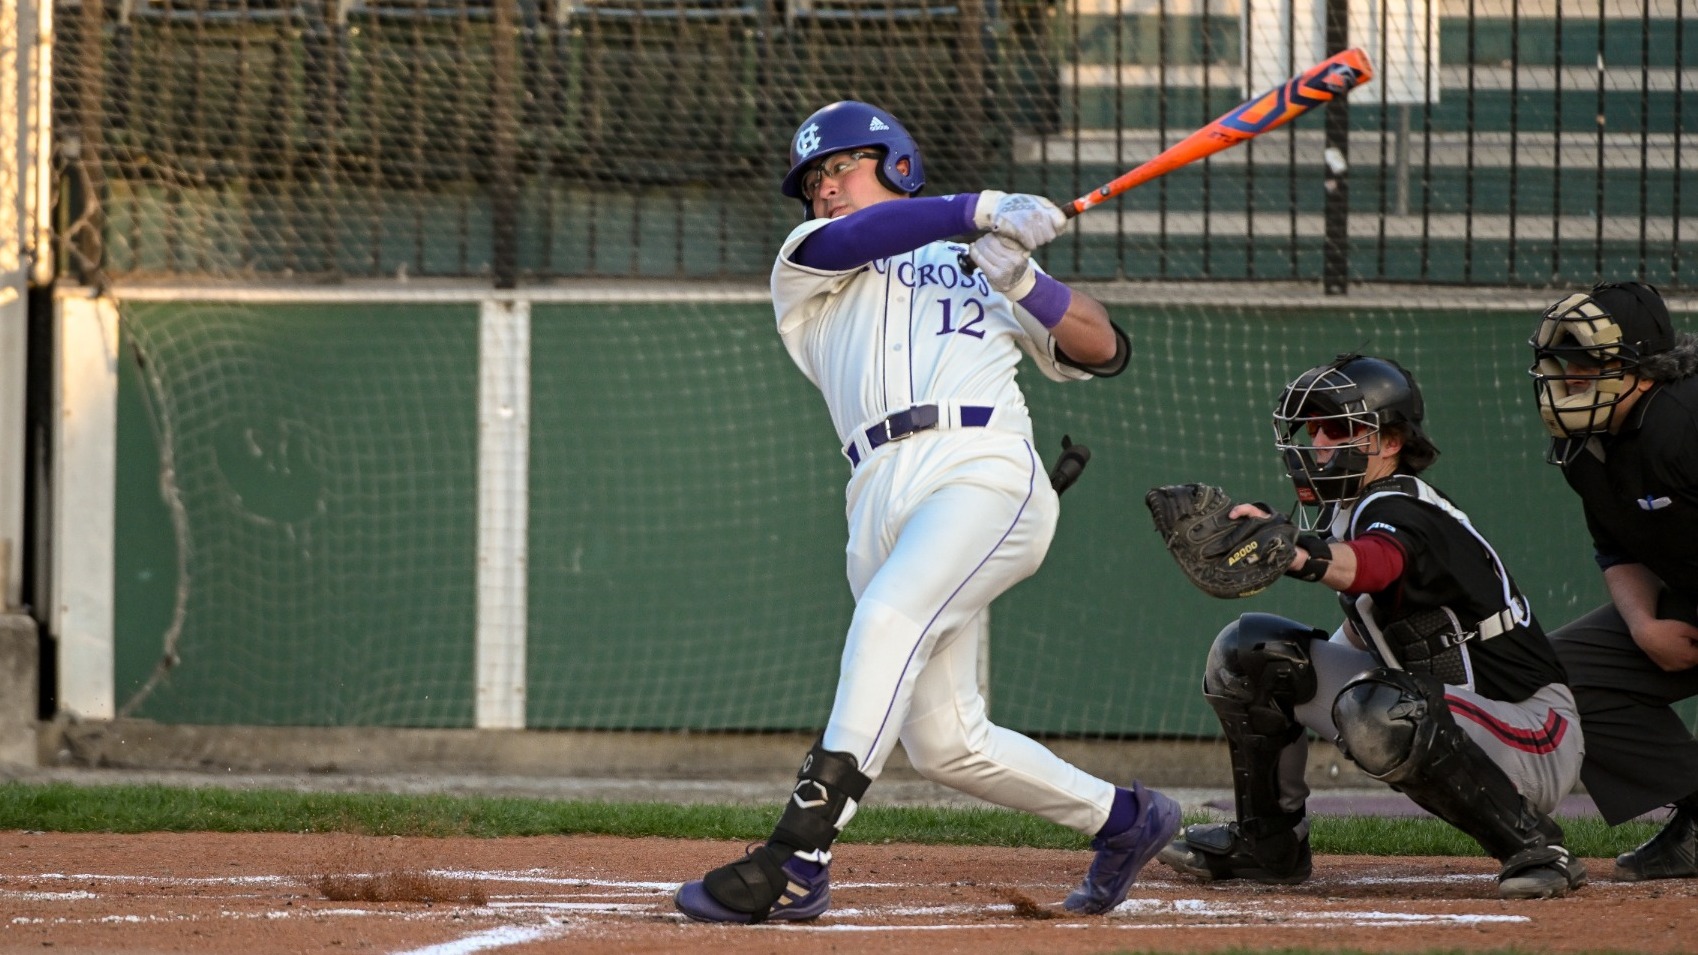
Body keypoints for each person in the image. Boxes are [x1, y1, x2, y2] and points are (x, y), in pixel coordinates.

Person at [671, 100, 1180, 923]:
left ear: (896, 163)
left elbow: (1103, 347)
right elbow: (856, 237)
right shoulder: (810, 259)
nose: (824, 188)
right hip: (875, 489)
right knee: (946, 743)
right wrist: (981, 207)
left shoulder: (977, 258)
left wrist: (1025, 280)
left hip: (981, 467)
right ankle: (1126, 819)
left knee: (886, 619)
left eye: (842, 167)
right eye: (812, 179)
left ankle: (797, 854)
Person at [1157, 353, 1588, 900]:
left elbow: (1374, 562)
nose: (1317, 443)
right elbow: (1364, 637)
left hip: (1533, 731)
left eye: (1338, 429)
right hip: (1461, 712)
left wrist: (1293, 552)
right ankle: (1268, 844)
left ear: (1390, 441)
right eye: (1313, 429)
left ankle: (1538, 847)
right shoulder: (1352, 509)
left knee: (1381, 705)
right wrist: (1323, 701)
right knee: (1251, 652)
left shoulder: (1403, 507)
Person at [1528, 281, 1698, 881]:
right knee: (1558, 675)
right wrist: (1644, 625)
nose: (1567, 374)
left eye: (1587, 360)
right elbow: (1616, 547)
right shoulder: (1583, 443)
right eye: (1561, 359)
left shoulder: (1686, 421)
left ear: (1644, 368)